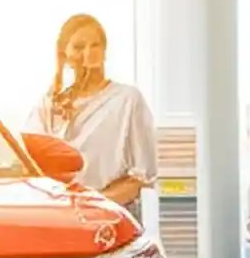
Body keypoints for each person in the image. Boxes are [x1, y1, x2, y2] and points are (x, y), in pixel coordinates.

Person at [26, 13, 157, 221]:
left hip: (110, 215)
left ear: (104, 51)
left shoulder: (127, 100)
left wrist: (94, 207)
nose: (87, 54)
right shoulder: (48, 104)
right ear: (64, 53)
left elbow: (141, 176)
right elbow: (32, 162)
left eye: (95, 46)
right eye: (78, 47)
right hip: (61, 216)